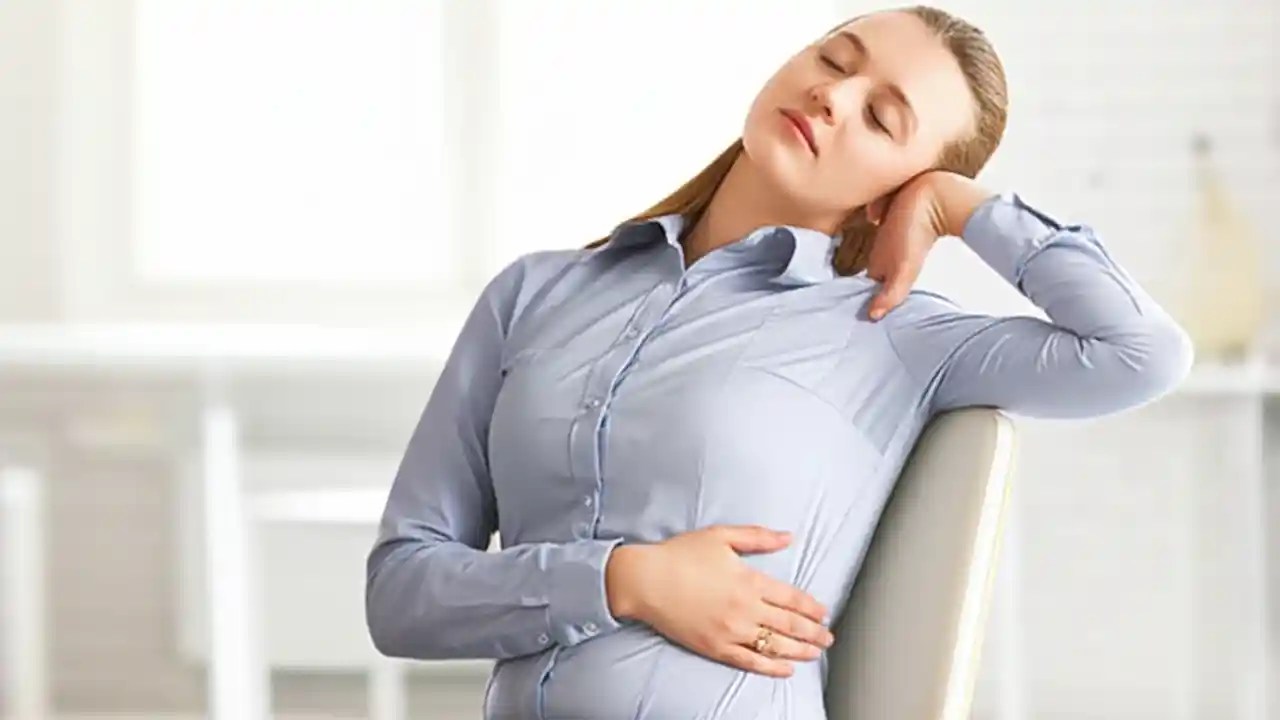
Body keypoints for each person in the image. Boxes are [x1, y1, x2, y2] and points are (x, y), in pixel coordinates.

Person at [365, 5, 1194, 719]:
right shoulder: (535, 294)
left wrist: (962, 208)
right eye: (834, 60)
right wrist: (622, 580)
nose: (832, 97)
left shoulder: (894, 336)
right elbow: (402, 594)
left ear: (900, 184)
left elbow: (1141, 354)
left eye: (881, 119)